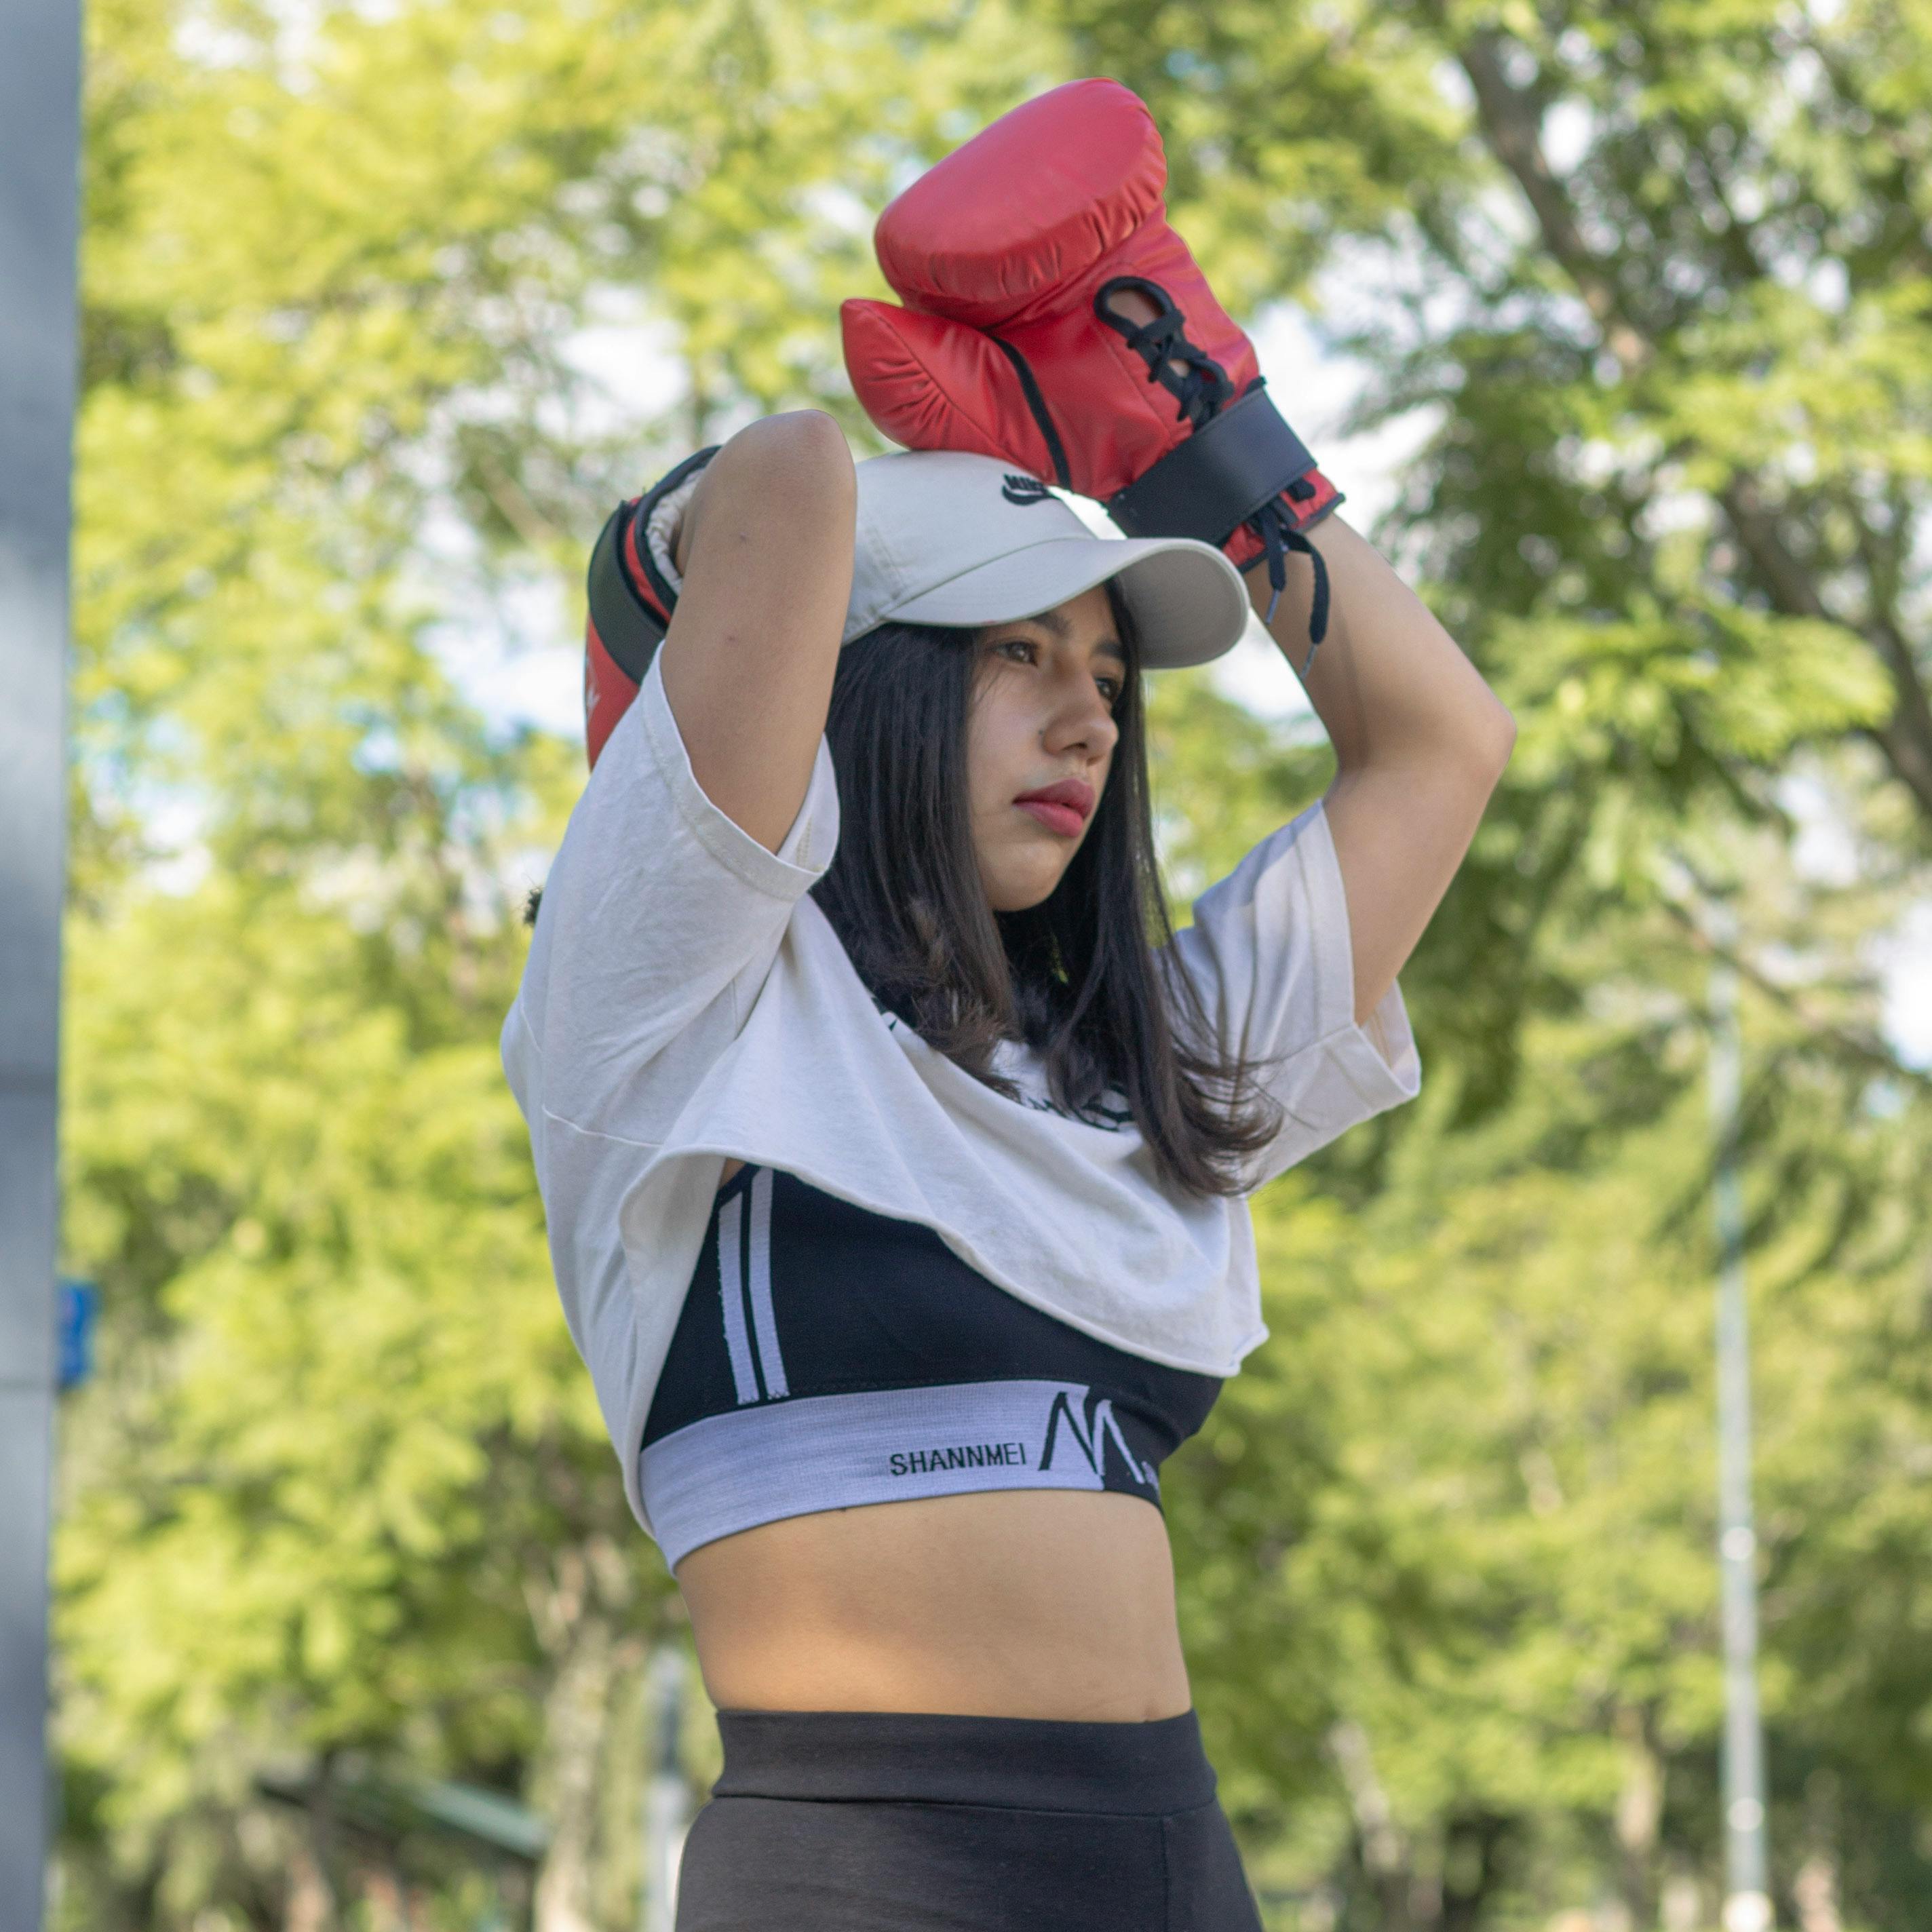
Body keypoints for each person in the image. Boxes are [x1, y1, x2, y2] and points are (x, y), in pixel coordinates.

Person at [506, 81, 1515, 1932]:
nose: (1091, 714)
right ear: (864, 688)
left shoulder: (1142, 1081)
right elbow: (798, 475)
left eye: (1111, 671)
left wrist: (1200, 440)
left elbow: (1443, 743)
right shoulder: (678, 1021)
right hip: (860, 1874)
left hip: (1174, 1867)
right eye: (1017, 655)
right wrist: (666, 565)